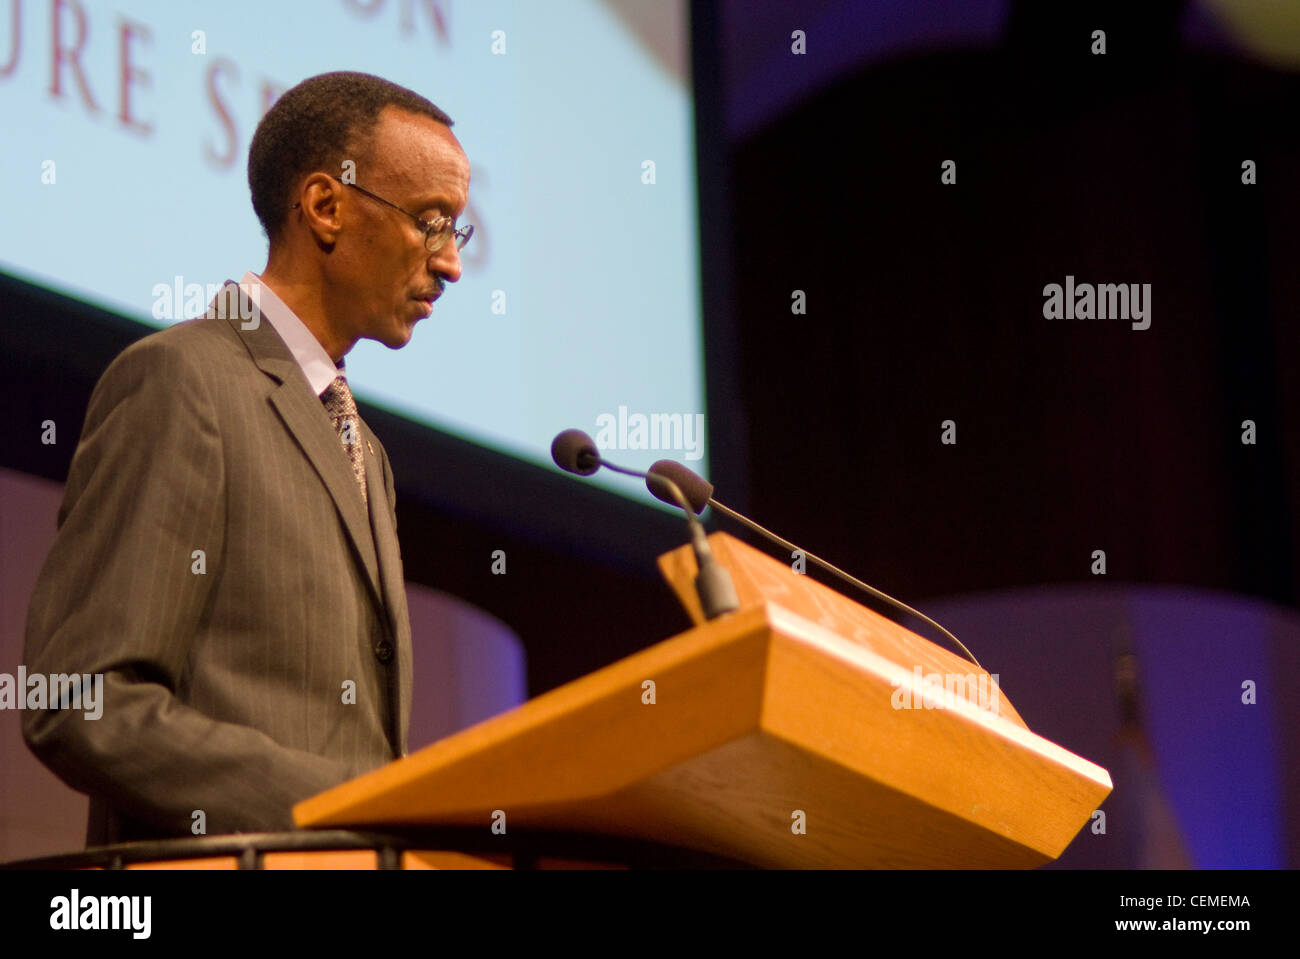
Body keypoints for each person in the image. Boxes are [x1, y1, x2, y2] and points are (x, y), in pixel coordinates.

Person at [22, 71, 472, 845]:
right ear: (326, 208)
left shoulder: (365, 448)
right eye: (430, 221)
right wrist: (345, 811)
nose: (451, 264)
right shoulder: (183, 379)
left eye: (456, 232)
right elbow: (81, 698)